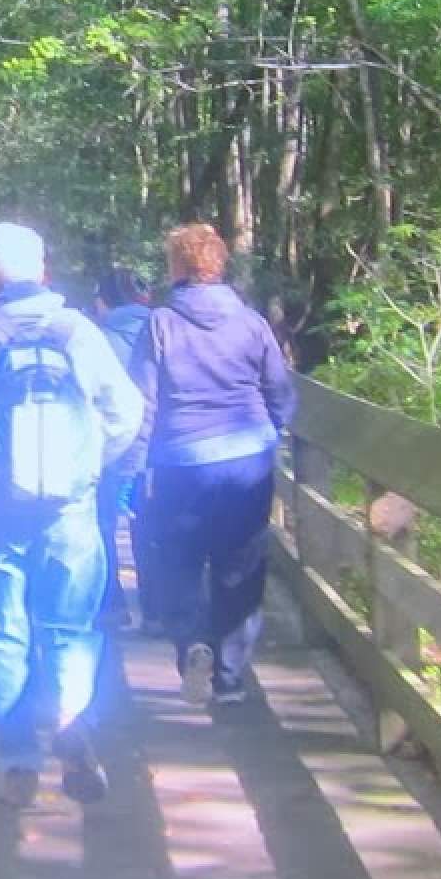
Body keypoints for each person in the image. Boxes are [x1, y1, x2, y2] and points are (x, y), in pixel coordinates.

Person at [0, 222, 145, 810]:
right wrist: (91, 463)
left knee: (0, 632)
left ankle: (17, 759)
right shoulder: (79, 331)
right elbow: (126, 411)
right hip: (70, 509)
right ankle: (70, 719)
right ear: (44, 270)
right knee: (71, 627)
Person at [134, 222, 296, 709]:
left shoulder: (159, 323)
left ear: (178, 266)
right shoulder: (251, 322)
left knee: (178, 560)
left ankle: (191, 647)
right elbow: (280, 392)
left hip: (181, 463)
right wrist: (274, 431)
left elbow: (143, 401)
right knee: (240, 565)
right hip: (247, 461)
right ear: (219, 263)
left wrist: (137, 465)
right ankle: (229, 675)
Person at [89, 265, 154, 633]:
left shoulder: (97, 340)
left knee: (103, 526)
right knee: (150, 526)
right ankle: (158, 610)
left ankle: (112, 605)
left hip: (112, 449)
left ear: (104, 302)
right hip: (159, 450)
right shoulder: (166, 329)